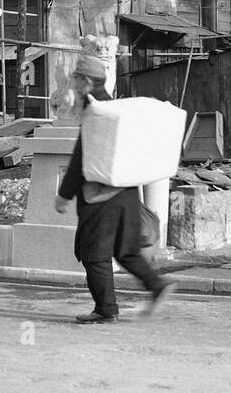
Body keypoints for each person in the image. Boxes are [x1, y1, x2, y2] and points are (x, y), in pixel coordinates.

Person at [54, 49, 177, 324]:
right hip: (127, 192)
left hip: (100, 196)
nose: (73, 83)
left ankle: (105, 309)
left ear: (86, 81)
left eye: (76, 78)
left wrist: (64, 194)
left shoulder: (97, 111)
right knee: (126, 250)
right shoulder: (117, 108)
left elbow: (81, 157)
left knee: (94, 254)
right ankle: (157, 285)